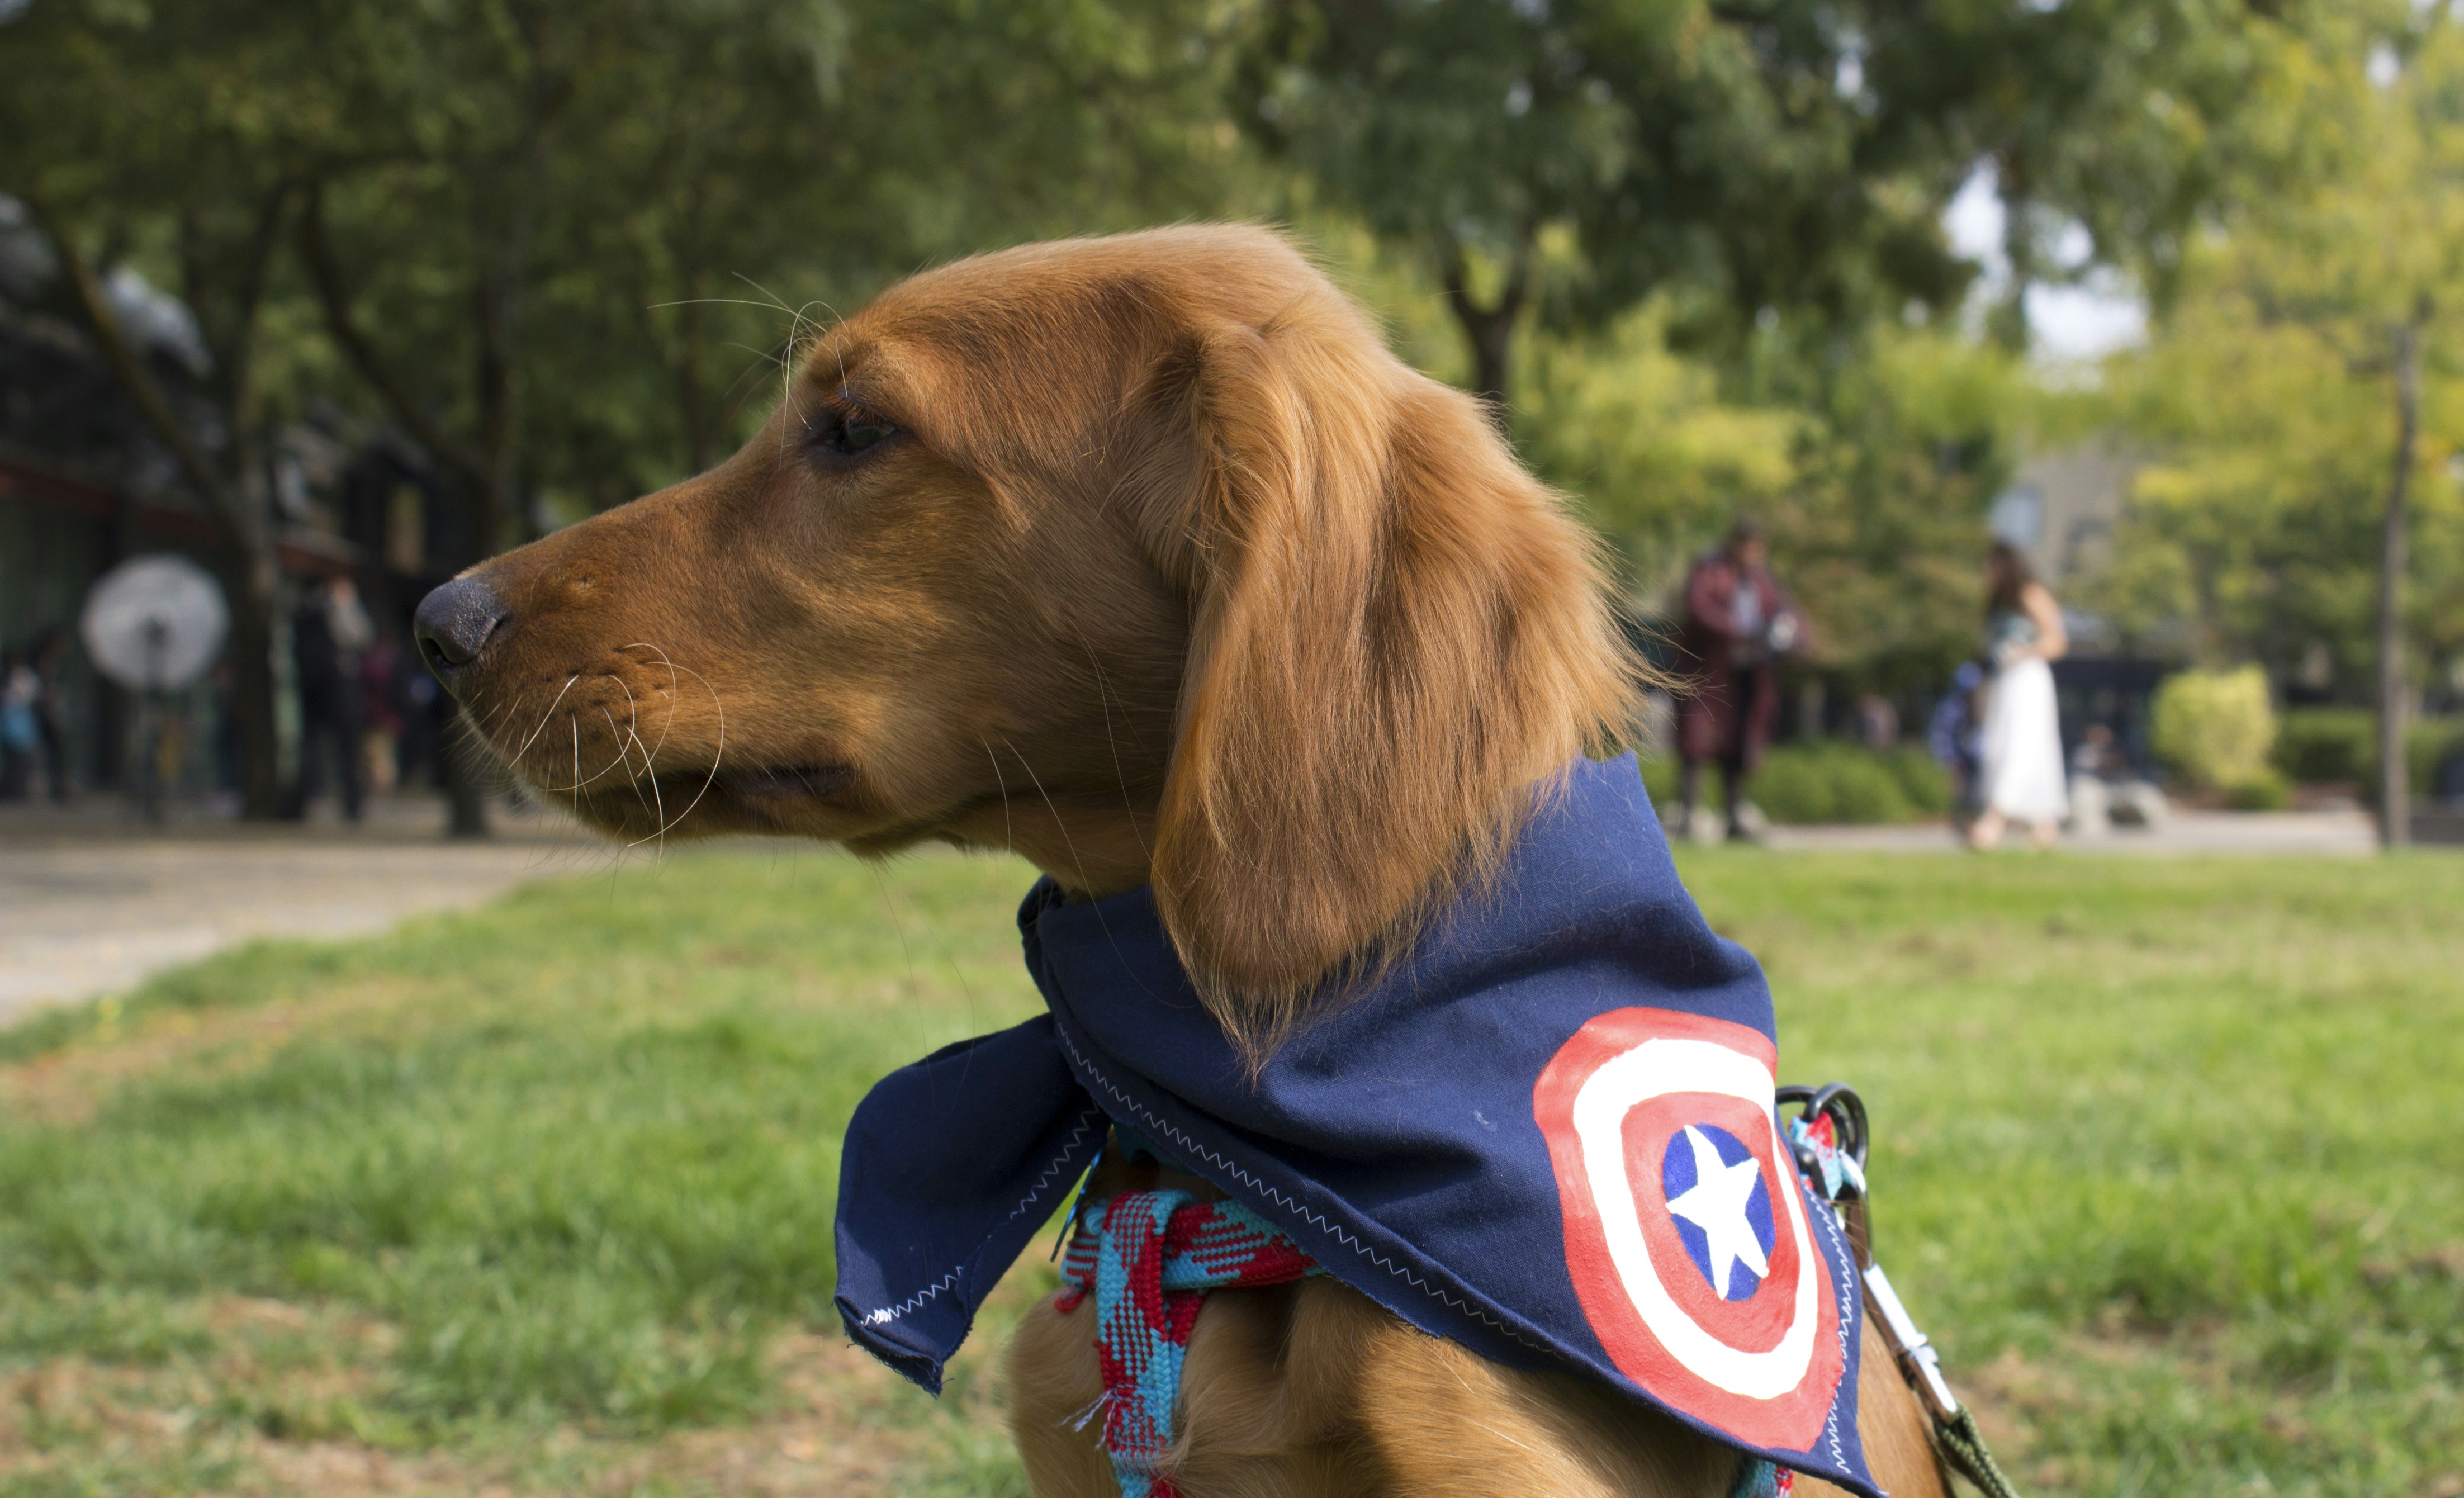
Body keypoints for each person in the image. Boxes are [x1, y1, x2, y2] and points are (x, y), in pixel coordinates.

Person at [1675, 519, 1806, 842]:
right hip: (1708, 675)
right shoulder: (1710, 571)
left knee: (1738, 748)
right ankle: (1690, 814)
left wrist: (1787, 636)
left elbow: (1785, 614)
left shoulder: (1763, 581)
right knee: (1698, 743)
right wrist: (1740, 629)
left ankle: (1734, 816)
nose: (1753, 554)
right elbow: (1700, 608)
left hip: (1748, 676)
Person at [1969, 541, 2068, 850]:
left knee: (2021, 744)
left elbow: (2057, 641)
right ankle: (2044, 825)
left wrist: (2023, 653)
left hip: (2028, 679)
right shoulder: (1998, 606)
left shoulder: (2032, 595)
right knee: (2004, 745)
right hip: (2004, 682)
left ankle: (1993, 821)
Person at [291, 574, 376, 822]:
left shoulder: (306, 613)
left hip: (325, 691)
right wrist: (344, 606)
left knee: (329, 749)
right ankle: (336, 802)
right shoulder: (323, 613)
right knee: (332, 749)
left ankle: (344, 802)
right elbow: (361, 637)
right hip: (333, 690)